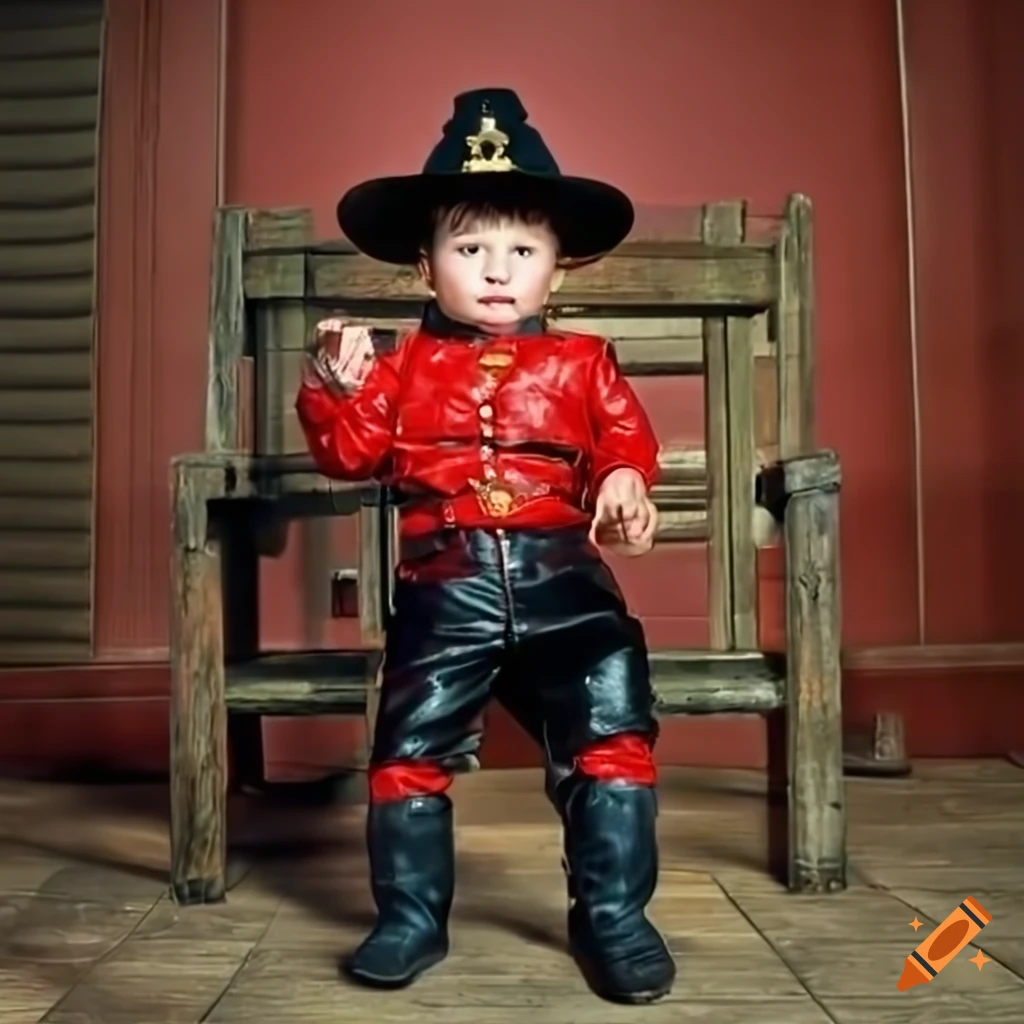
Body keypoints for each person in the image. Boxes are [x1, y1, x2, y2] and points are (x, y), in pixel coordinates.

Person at [295, 87, 676, 1006]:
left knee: (612, 734)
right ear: (425, 267)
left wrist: (625, 482)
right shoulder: (397, 368)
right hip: (447, 584)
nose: (497, 270)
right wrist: (335, 390)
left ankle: (613, 918)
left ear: (558, 268)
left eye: (522, 250)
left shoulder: (584, 362)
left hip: (565, 584)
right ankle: (409, 919)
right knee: (407, 750)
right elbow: (351, 457)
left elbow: (626, 442)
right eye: (469, 249)